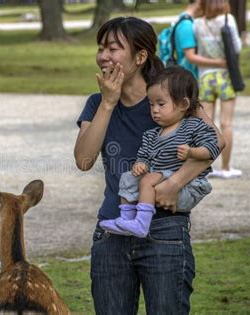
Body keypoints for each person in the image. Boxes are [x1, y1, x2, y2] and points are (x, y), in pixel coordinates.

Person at [74, 16, 224, 315]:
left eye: (114, 48)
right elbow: (84, 160)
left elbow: (215, 144)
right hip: (112, 232)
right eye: (101, 47)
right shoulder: (97, 102)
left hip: (165, 230)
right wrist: (108, 103)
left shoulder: (168, 100)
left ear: (140, 57)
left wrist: (173, 184)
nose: (104, 55)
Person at [99, 66, 220, 238]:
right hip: (161, 179)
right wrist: (141, 164)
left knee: (149, 179)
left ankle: (141, 224)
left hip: (188, 187)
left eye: (161, 104)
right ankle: (126, 219)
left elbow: (212, 148)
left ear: (183, 104)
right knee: (128, 177)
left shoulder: (194, 126)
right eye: (151, 104)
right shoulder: (152, 134)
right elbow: (144, 155)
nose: (154, 110)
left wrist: (193, 152)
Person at [194, 0, 243, 179]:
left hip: (206, 77)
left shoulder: (197, 23)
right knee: (226, 123)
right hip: (225, 76)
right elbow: (236, 47)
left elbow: (198, 50)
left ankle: (205, 167)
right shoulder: (227, 19)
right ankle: (226, 167)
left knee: (207, 124)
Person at [173, 0, 226, 78]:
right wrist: (220, 63)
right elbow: (191, 57)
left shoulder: (187, 20)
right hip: (188, 78)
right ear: (199, 2)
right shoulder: (186, 25)